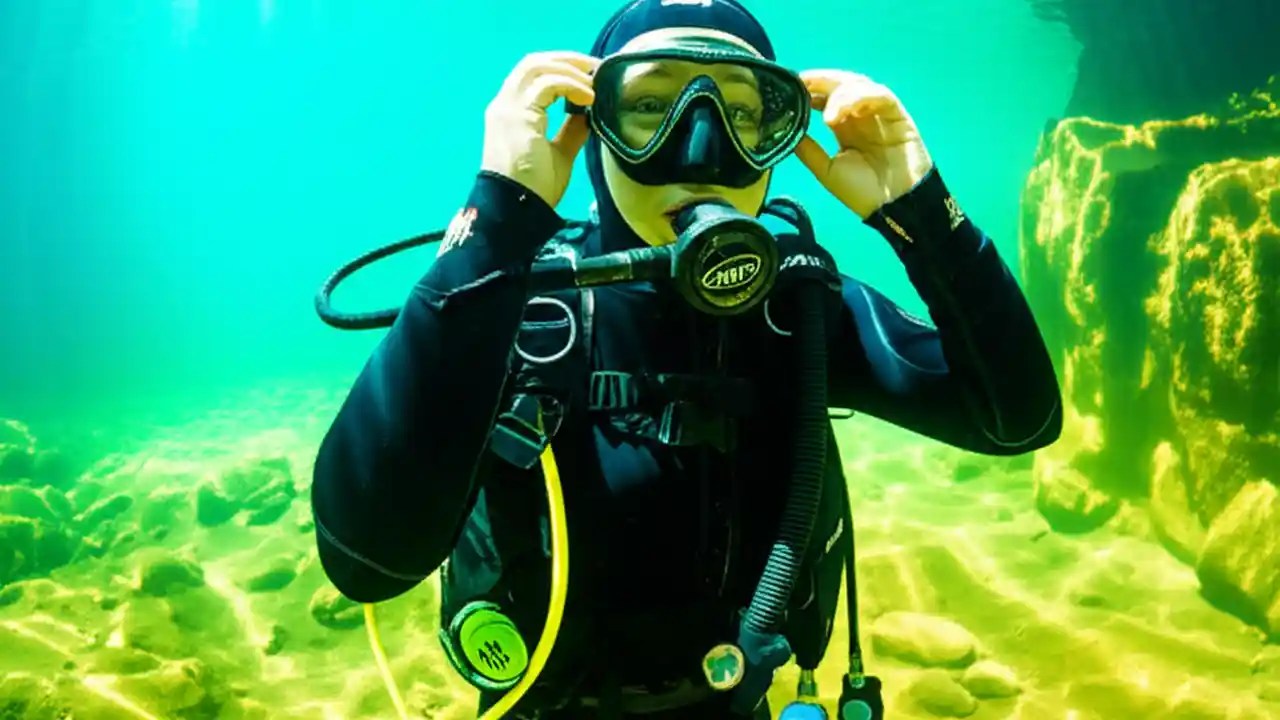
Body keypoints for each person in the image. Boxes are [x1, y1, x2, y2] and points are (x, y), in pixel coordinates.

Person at [309, 0, 1063, 718]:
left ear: (777, 137)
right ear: (592, 127)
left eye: (741, 114)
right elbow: (366, 561)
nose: (701, 153)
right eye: (648, 107)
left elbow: (1017, 421)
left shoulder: (797, 308)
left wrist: (921, 209)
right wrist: (499, 212)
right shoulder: (511, 307)